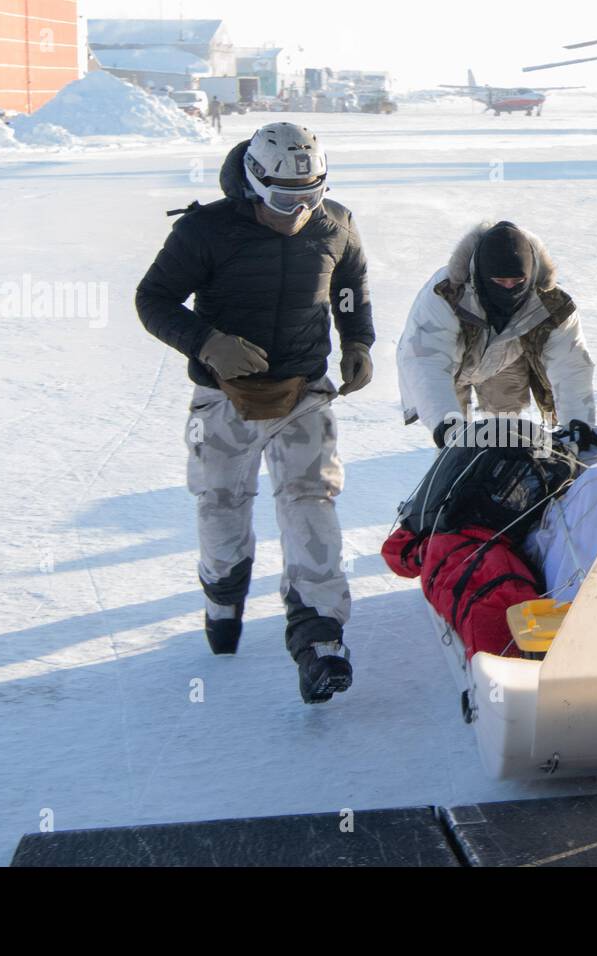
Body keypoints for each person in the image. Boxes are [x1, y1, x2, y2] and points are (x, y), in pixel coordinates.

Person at [135, 122, 374, 704]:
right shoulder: (205, 231)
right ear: (253, 182)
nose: (298, 210)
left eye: (310, 196)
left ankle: (319, 637)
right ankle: (223, 597)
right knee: (220, 503)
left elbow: (350, 283)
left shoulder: (336, 223)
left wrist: (358, 341)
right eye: (285, 199)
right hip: (223, 398)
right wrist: (207, 342)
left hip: (304, 390)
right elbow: (153, 298)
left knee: (309, 501)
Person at [397, 220, 596, 447]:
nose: (509, 288)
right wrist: (446, 423)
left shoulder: (551, 303)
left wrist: (578, 423)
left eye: (518, 281)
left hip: (504, 359)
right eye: (499, 281)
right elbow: (427, 359)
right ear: (481, 276)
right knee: (457, 444)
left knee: (507, 438)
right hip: (449, 365)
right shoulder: (447, 293)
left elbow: (570, 364)